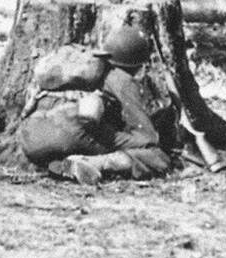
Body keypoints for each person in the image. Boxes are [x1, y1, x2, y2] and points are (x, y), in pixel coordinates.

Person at [45, 26, 180, 186]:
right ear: (137, 63)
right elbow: (148, 138)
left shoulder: (91, 71)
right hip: (72, 133)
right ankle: (94, 163)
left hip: (40, 131)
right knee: (157, 157)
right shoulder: (123, 80)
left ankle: (62, 163)